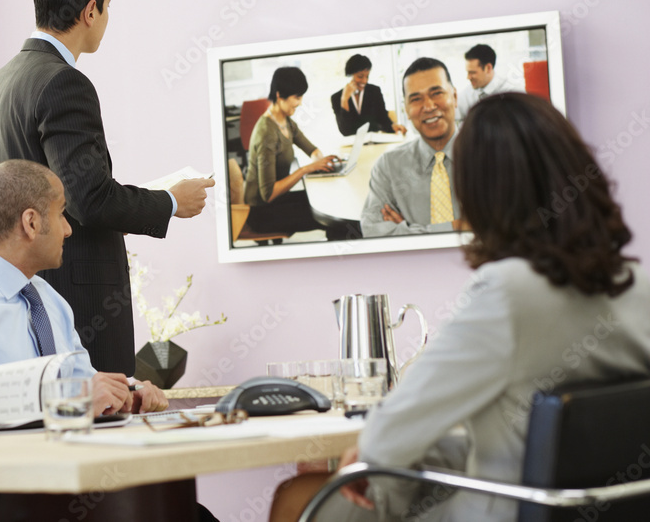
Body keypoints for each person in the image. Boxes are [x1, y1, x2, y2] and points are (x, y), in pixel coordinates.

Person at [270, 93, 650, 522]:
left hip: (503, 511)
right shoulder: (638, 287)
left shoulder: (508, 293)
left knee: (298, 496)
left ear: (480, 192)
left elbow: (391, 432)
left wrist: (377, 452)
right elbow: (535, 434)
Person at [0, 0, 214, 375]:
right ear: (89, 11)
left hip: (12, 296)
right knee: (100, 423)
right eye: (107, 8)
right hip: (76, 299)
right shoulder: (65, 83)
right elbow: (89, 199)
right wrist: (171, 201)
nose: (106, 19)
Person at [0, 159, 168, 415]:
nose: (67, 230)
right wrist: (71, 402)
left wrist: (125, 395)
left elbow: (84, 384)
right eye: (62, 213)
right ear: (31, 223)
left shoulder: (49, 300)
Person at [360, 57, 465, 237]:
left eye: (437, 93)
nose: (429, 106)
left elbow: (502, 228)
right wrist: (456, 227)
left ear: (454, 97)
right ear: (406, 110)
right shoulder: (389, 166)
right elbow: (373, 232)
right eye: (416, 99)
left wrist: (405, 230)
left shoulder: (491, 155)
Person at [242, 67, 340, 236]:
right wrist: (306, 169)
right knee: (331, 217)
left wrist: (322, 163)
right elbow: (268, 194)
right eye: (297, 97)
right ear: (280, 95)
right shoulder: (266, 132)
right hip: (262, 212)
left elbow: (312, 149)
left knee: (330, 203)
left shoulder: (286, 121)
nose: (300, 103)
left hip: (279, 201)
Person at [330, 54, 407, 136]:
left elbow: (383, 118)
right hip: (352, 144)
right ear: (350, 75)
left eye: (367, 76)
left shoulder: (374, 91)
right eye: (360, 76)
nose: (364, 81)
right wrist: (344, 100)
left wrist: (393, 126)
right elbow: (345, 131)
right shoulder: (337, 98)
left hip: (374, 140)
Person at [456, 44, 525, 120]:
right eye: (468, 72)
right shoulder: (466, 95)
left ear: (488, 68)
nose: (468, 77)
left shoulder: (512, 93)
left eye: (472, 72)